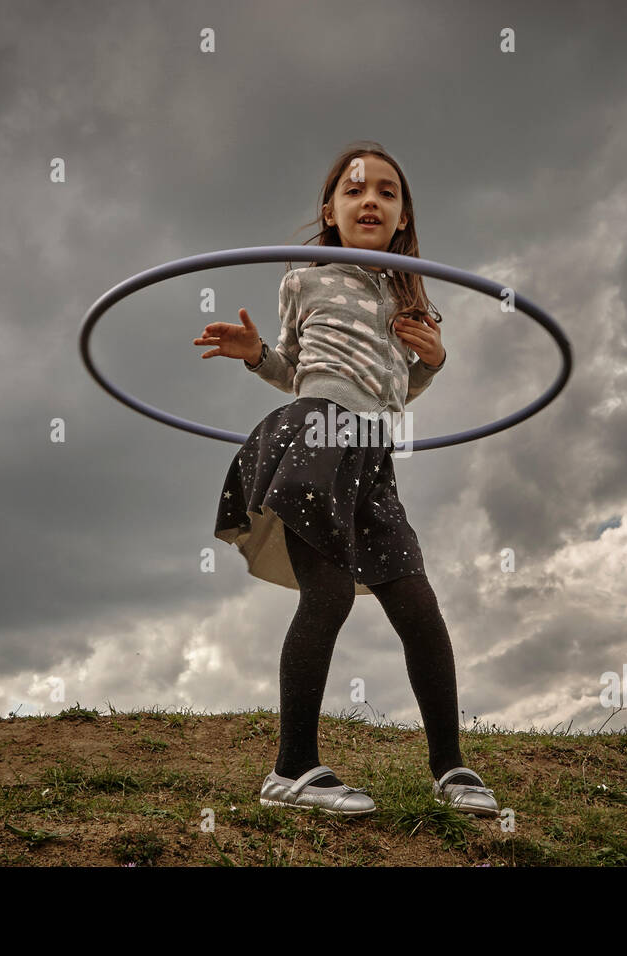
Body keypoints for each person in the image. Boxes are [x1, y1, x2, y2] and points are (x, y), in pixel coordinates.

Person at [195, 142, 497, 818]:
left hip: (371, 460)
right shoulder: (306, 280)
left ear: (402, 216)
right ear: (329, 211)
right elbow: (299, 370)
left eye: (387, 192)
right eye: (355, 190)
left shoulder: (408, 298)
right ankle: (291, 768)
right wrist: (257, 357)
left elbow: (394, 392)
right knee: (328, 596)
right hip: (316, 436)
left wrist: (432, 364)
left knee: (418, 608)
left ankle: (450, 766)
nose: (371, 200)